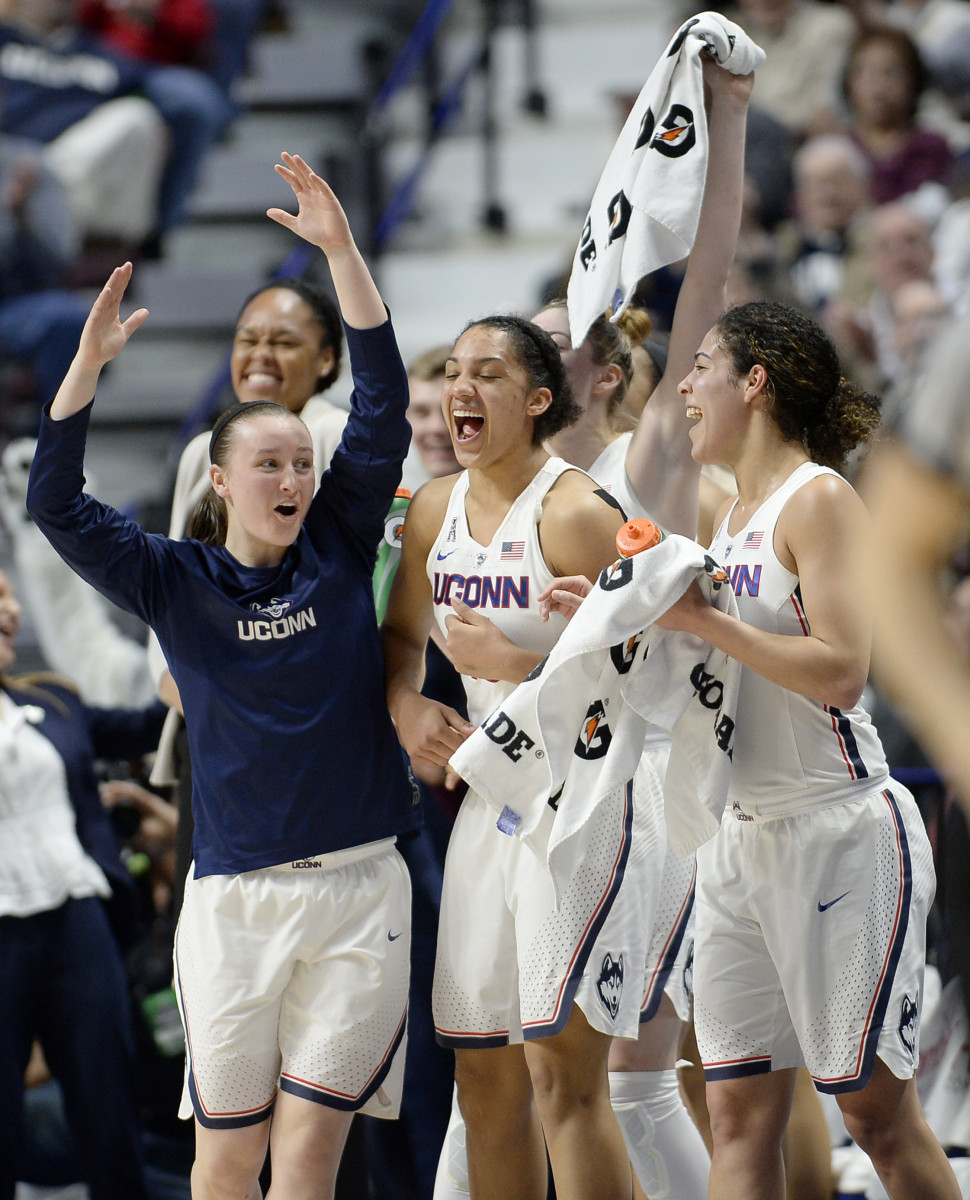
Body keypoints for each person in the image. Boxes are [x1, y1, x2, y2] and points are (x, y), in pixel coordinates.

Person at [26, 153, 419, 1200]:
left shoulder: (339, 539)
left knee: (307, 1159)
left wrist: (341, 253)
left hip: (360, 892)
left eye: (302, 460)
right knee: (228, 1156)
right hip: (234, 904)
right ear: (220, 478)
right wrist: (87, 371)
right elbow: (56, 506)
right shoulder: (173, 580)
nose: (293, 477)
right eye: (270, 464)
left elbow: (382, 398)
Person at [652, 298, 960, 1200]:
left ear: (756, 382)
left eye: (703, 364)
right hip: (737, 840)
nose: (686, 384)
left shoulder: (818, 497)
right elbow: (719, 658)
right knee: (735, 1112)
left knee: (873, 1115)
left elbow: (839, 670)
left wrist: (704, 617)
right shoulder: (730, 512)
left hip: (837, 832)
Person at [382, 300, 660, 1200]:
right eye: (456, 371)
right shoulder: (432, 510)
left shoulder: (580, 511)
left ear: (541, 399)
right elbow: (399, 644)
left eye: (488, 374)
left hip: (580, 806)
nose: (462, 387)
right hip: (488, 809)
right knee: (483, 1075)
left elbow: (659, 664)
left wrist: (523, 660)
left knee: (565, 1083)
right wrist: (405, 710)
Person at [0, 566, 166, 1200]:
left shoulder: (53, 701)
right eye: (0, 597)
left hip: (78, 919)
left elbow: (146, 724)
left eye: (13, 594)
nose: (12, 608)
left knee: (106, 1096)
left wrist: (208, 661)